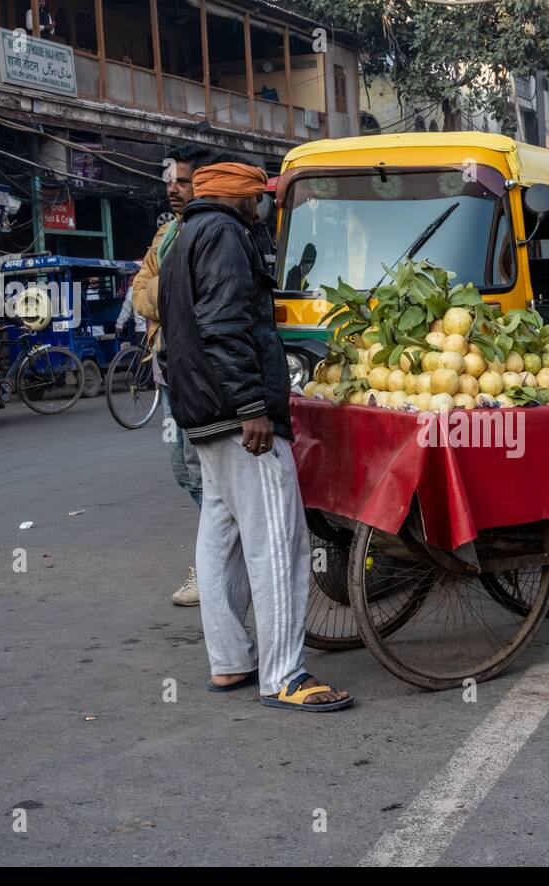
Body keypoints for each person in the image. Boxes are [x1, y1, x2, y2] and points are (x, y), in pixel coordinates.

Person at [158, 155, 352, 712]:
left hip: (201, 411)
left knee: (221, 538)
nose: (261, 208)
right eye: (258, 199)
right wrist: (251, 407)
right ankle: (285, 675)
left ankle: (230, 662)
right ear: (243, 198)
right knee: (278, 542)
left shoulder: (184, 235)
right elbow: (224, 329)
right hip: (236, 415)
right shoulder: (224, 235)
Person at [132, 144, 208, 606]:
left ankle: (214, 562)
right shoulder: (165, 235)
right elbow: (141, 290)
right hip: (167, 371)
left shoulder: (207, 231)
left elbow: (187, 293)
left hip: (196, 372)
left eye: (182, 180)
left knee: (201, 473)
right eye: (170, 181)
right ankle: (220, 554)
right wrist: (165, 291)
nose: (173, 188)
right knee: (183, 471)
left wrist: (164, 291)